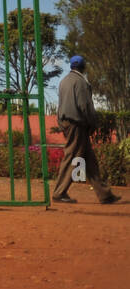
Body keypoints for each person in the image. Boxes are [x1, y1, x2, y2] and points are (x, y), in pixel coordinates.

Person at [52, 56, 121, 204]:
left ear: (71, 66)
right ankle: (59, 193)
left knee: (89, 161)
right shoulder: (81, 82)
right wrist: (93, 123)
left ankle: (104, 194)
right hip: (77, 124)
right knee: (72, 157)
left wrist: (61, 123)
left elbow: (60, 105)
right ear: (83, 67)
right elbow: (85, 106)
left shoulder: (64, 81)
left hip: (67, 122)